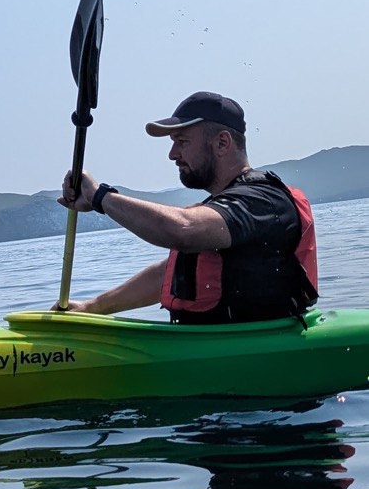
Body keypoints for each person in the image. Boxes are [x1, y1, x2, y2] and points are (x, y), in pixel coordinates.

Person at [58, 91, 318, 323]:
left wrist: (100, 197)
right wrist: (92, 307)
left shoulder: (263, 202)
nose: (172, 154)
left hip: (252, 354)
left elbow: (183, 229)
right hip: (205, 350)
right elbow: (171, 274)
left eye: (182, 141)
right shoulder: (225, 207)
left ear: (222, 143)